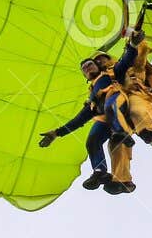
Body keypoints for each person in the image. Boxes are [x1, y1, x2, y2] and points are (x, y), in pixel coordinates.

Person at [39, 53, 136, 193]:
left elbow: (126, 61)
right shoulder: (92, 98)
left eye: (90, 65)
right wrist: (57, 133)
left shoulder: (111, 75)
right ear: (85, 76)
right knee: (92, 140)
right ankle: (100, 171)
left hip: (120, 106)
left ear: (98, 66)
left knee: (111, 109)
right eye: (84, 69)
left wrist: (132, 45)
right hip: (104, 117)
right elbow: (80, 119)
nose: (88, 69)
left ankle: (122, 133)